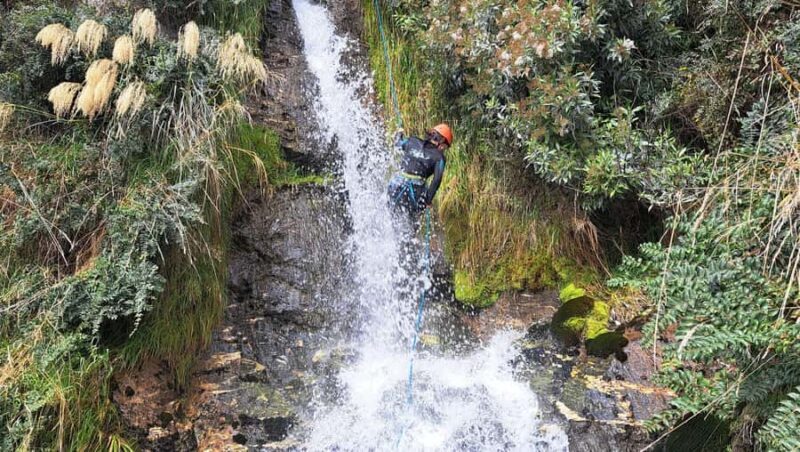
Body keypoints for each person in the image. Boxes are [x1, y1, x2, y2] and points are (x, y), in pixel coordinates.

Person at [387, 123, 453, 221]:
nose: (444, 150)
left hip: (397, 183)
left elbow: (398, 144)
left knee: (390, 216)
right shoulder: (439, 158)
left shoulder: (412, 141)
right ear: (442, 140)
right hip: (415, 191)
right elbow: (437, 180)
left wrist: (399, 134)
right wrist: (428, 200)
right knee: (412, 222)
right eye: (445, 147)